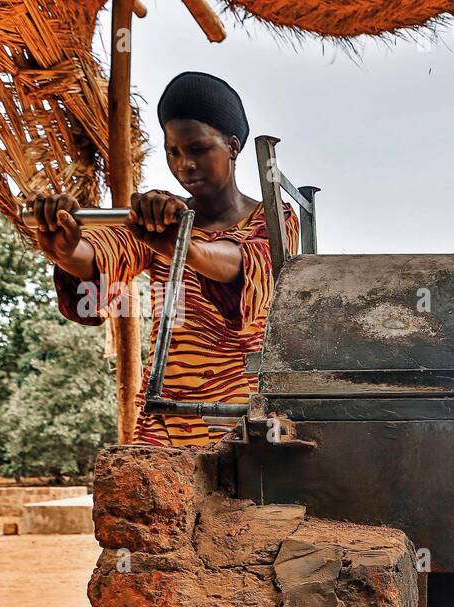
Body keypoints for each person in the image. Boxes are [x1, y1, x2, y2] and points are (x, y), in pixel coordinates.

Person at [27, 71, 298, 446]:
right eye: (174, 152)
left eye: (199, 149)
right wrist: (66, 248)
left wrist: (183, 246)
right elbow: (109, 252)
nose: (184, 165)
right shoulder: (163, 220)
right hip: (166, 421)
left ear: (233, 146)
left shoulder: (274, 219)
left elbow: (250, 270)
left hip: (244, 421)